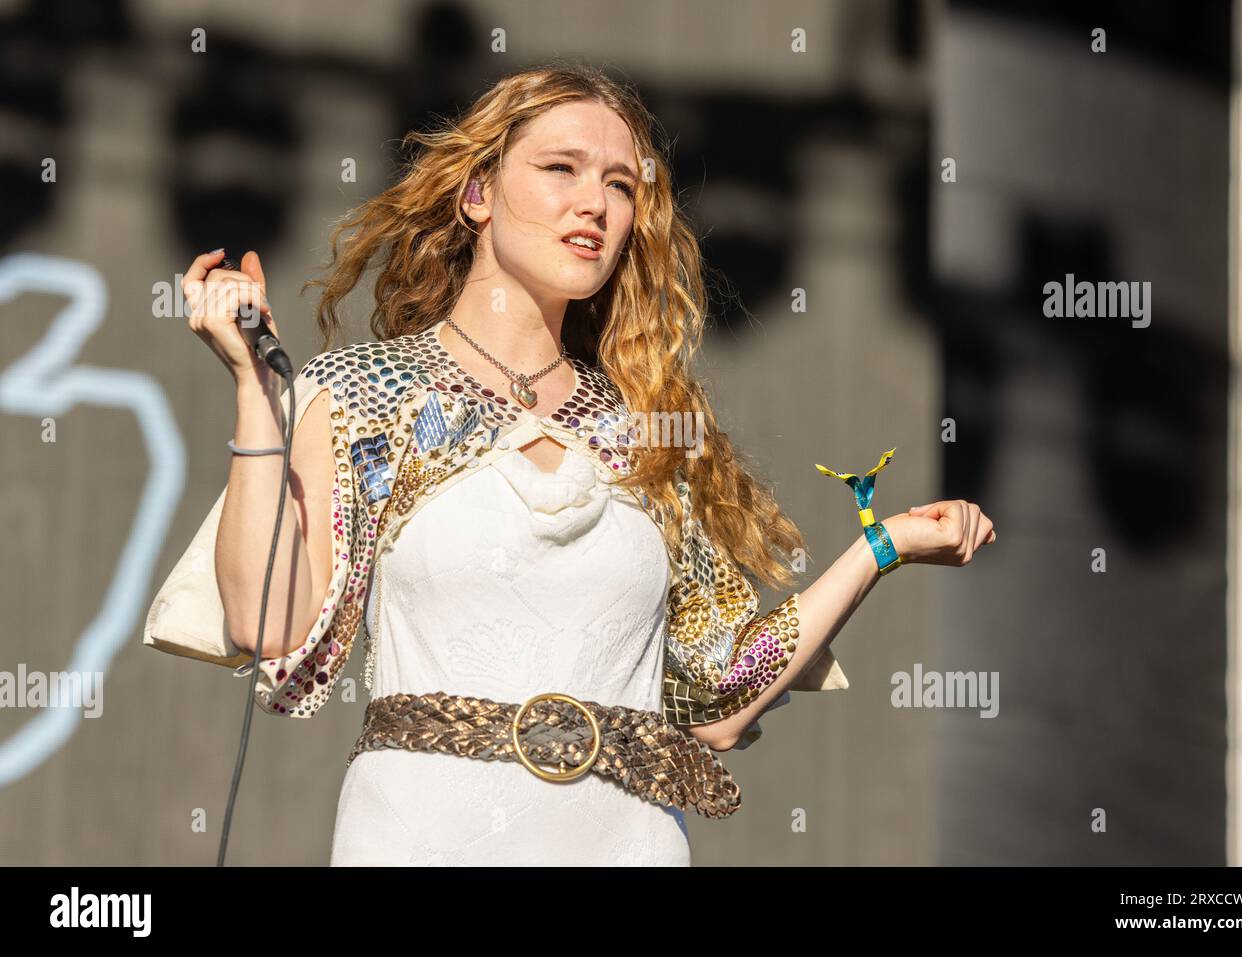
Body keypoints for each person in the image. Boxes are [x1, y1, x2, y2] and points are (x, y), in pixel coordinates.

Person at [157, 64, 995, 866]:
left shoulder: (649, 432)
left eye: (622, 185)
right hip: (419, 838)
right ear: (478, 193)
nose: (595, 202)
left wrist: (881, 548)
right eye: (561, 168)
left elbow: (720, 703)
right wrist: (257, 390)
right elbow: (268, 625)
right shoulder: (366, 395)